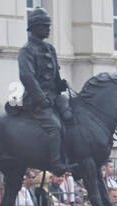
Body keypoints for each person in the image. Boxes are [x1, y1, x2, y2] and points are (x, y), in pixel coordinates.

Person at [18, 6, 74, 176]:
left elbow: (54, 74)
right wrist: (40, 98)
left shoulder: (50, 49)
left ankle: (71, 154)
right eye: (44, 25)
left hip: (54, 96)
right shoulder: (27, 50)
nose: (48, 29)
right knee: (54, 127)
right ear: (34, 27)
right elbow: (27, 77)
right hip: (36, 100)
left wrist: (60, 84)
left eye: (48, 26)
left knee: (71, 116)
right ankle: (56, 162)